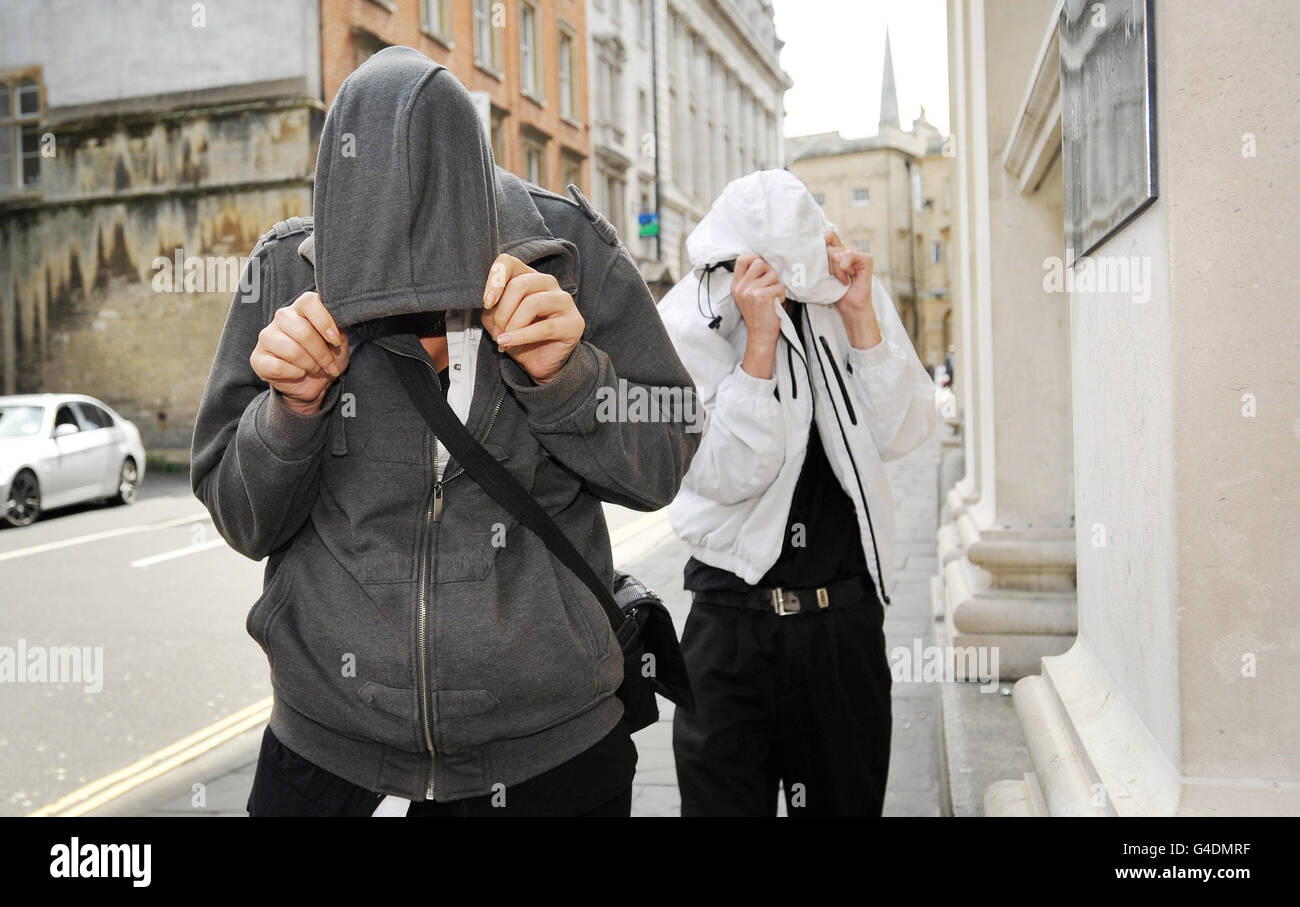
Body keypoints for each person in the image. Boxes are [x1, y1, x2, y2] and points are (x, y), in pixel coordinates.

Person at [191, 47, 699, 817]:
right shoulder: (285, 273)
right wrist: (288, 414)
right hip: (327, 746)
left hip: (552, 752)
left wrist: (571, 375)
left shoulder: (573, 255)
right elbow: (241, 517)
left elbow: (663, 463)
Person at [657, 170, 937, 817]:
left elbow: (905, 429)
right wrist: (758, 345)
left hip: (843, 629)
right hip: (728, 630)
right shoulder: (689, 318)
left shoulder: (843, 297)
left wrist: (862, 315)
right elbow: (722, 470)